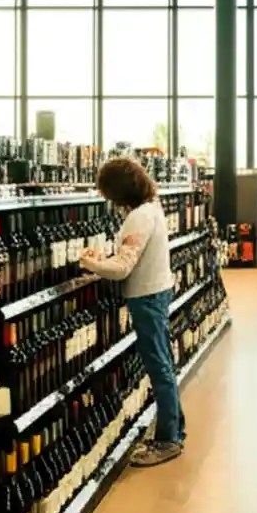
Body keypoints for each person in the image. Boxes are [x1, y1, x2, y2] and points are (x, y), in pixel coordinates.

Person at [79, 157, 184, 467]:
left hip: (146, 297)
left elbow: (123, 267)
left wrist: (91, 263)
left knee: (159, 366)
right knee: (164, 362)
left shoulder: (139, 217)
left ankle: (168, 440)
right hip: (158, 290)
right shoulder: (153, 207)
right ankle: (175, 426)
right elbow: (131, 255)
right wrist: (105, 257)